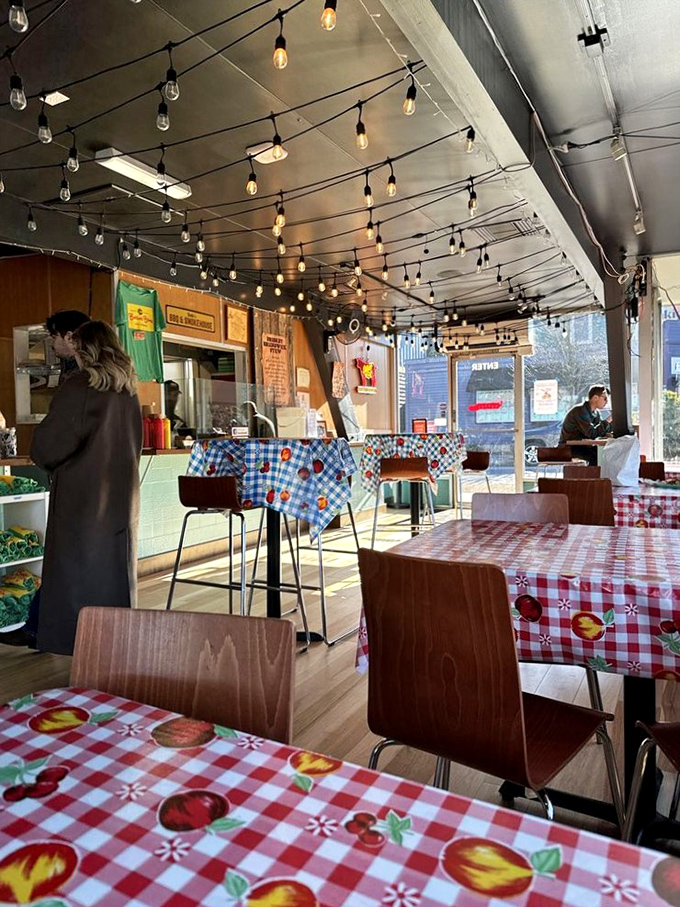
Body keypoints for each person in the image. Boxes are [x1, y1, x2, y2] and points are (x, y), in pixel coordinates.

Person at [2, 321, 142, 654]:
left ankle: (78, 646)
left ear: (84, 350)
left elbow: (48, 446)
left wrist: (50, 463)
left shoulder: (81, 386)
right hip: (122, 498)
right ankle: (113, 645)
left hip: (82, 497)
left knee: (75, 574)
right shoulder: (128, 390)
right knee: (111, 573)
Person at [559, 385, 613, 466]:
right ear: (595, 397)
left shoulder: (596, 413)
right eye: (605, 398)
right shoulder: (580, 411)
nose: (607, 402)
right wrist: (608, 420)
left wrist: (611, 424)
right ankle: (592, 478)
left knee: (606, 452)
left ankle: (600, 477)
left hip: (582, 446)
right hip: (569, 448)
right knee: (595, 456)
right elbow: (591, 433)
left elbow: (600, 432)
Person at [45, 310, 90, 383]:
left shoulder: (79, 377)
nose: (53, 345)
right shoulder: (70, 364)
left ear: (69, 338)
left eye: (54, 338)